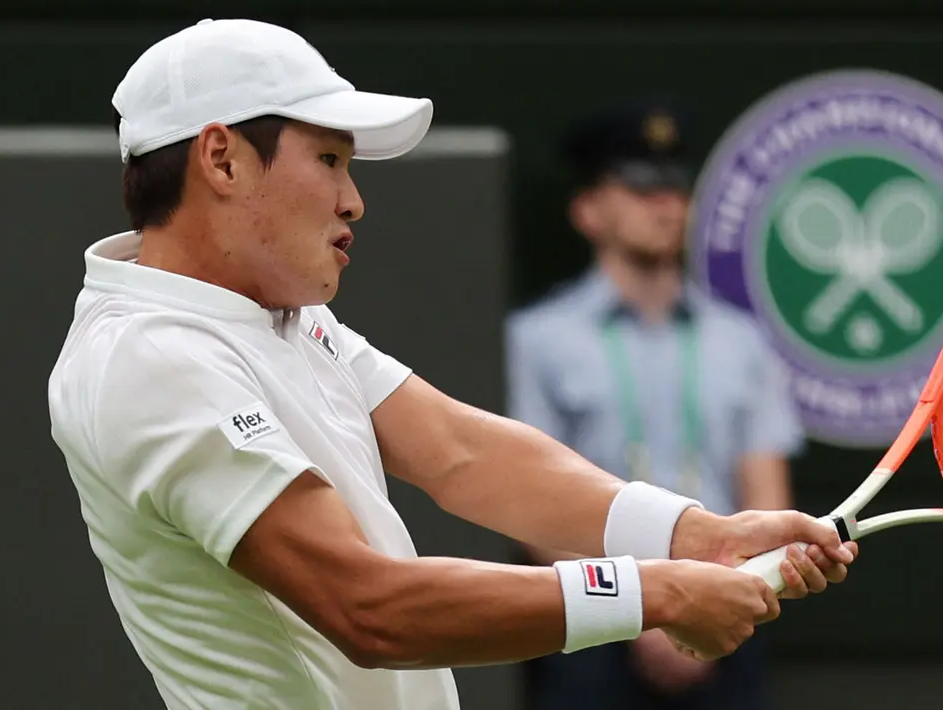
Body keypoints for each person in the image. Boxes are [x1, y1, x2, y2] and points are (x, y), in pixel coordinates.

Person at [46, 19, 858, 710]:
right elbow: (370, 608)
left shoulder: (279, 315)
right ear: (222, 160)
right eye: (328, 160)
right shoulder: (153, 357)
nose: (353, 199)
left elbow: (460, 452)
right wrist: (657, 591)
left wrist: (695, 534)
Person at [506, 102, 810, 710]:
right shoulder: (537, 340)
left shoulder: (743, 341)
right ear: (588, 210)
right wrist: (639, 609)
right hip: (592, 631)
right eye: (641, 189)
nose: (665, 205)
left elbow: (767, 496)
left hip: (726, 624)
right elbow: (527, 504)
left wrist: (719, 600)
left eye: (676, 189)